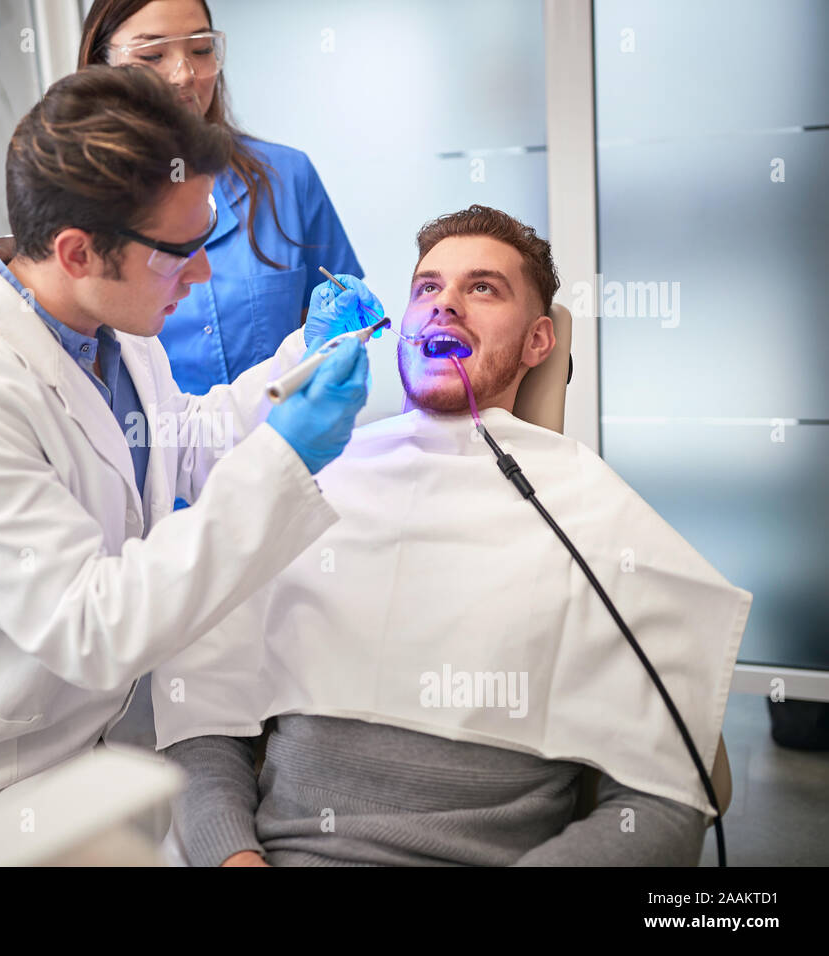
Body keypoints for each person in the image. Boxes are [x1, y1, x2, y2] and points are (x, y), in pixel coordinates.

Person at [153, 205, 752, 866]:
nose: (445, 306)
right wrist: (235, 859)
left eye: (483, 288)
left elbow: (664, 802)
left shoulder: (598, 522)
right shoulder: (310, 485)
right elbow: (202, 724)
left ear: (539, 343)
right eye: (426, 289)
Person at [0, 65, 371, 798]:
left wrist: (298, 363)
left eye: (205, 236)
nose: (202, 275)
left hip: (107, 747)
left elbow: (178, 442)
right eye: (178, 252)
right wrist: (287, 457)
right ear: (77, 252)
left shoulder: (105, 324)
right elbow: (92, 625)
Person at [79, 0, 365, 398]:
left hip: (293, 442)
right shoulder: (77, 204)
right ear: (100, 69)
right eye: (151, 55)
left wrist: (344, 332)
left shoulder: (287, 177)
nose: (183, 75)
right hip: (155, 455)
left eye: (200, 50)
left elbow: (329, 334)